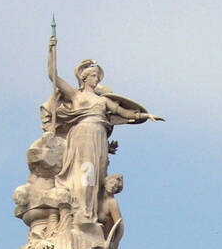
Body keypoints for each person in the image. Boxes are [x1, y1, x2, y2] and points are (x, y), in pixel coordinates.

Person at [47, 36, 161, 225]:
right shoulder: (76, 95)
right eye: (93, 76)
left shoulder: (103, 101)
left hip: (98, 136)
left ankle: (90, 213)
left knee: (96, 176)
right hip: (82, 135)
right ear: (84, 77)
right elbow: (53, 75)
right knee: (84, 173)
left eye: (97, 76)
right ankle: (80, 211)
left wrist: (145, 116)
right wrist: (52, 50)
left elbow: (124, 112)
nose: (96, 79)